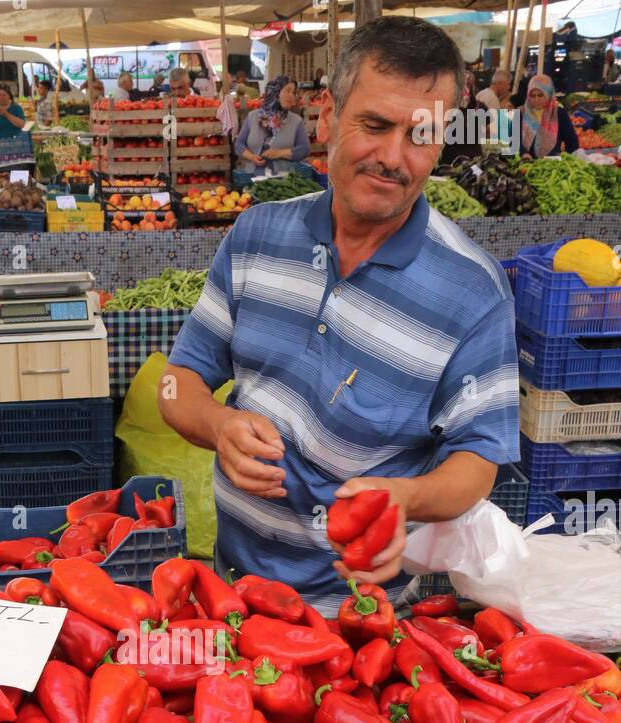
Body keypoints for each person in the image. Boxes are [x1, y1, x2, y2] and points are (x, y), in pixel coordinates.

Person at [158, 17, 518, 610]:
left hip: (358, 620)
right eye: (374, 125)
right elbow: (177, 383)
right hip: (231, 593)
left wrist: (408, 497)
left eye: (420, 135)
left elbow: (479, 460)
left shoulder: (474, 291)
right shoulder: (255, 235)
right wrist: (219, 426)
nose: (393, 157)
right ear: (328, 115)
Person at [234, 75, 309, 177]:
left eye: (293, 92)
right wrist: (251, 157)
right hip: (251, 178)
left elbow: (304, 149)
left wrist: (279, 153)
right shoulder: (253, 117)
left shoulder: (296, 121)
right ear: (275, 91)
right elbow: (239, 144)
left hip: (282, 183)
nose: (291, 96)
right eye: (288, 91)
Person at [515, 74, 578, 156]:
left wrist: (563, 159)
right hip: (524, 164)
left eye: (540, 95)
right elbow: (513, 142)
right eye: (532, 96)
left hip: (551, 165)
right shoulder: (520, 113)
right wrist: (523, 154)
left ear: (548, 94)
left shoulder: (559, 114)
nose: (536, 99)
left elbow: (573, 144)